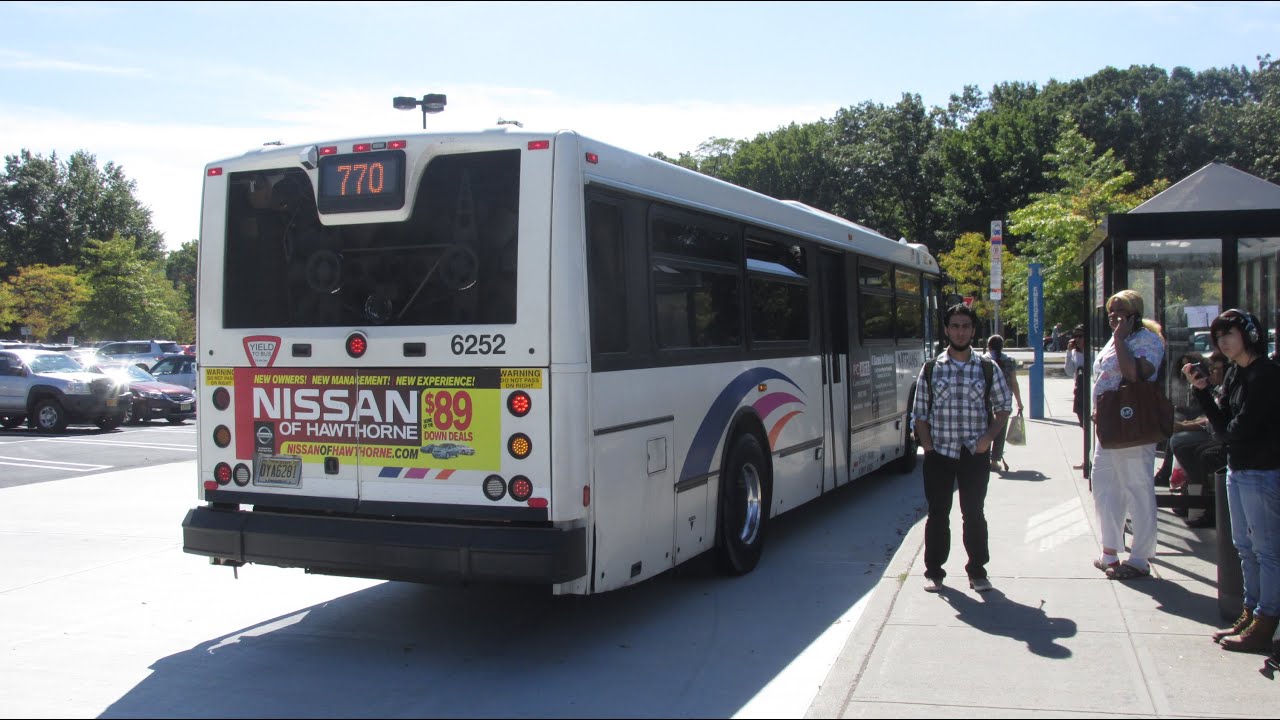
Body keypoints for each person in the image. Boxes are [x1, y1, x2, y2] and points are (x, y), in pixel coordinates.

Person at [1185, 309, 1280, 653]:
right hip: (1239, 468)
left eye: (1230, 334)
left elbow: (1235, 428)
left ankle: (1266, 620)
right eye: (1219, 336)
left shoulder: (1265, 375)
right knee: (1245, 548)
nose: (1223, 342)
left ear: (1249, 335)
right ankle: (1252, 613)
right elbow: (1221, 423)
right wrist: (1202, 391)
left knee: (1266, 550)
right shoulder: (1236, 375)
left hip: (1262, 470)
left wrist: (1224, 431)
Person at [911, 303, 1013, 593]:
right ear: (946, 330)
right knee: (937, 514)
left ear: (973, 330)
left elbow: (1003, 407)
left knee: (974, 513)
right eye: (954, 326)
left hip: (974, 453)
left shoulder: (986, 367)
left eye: (965, 326)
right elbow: (920, 413)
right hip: (940, 454)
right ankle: (934, 571)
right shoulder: (931, 369)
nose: (960, 331)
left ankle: (977, 570)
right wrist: (928, 448)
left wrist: (988, 439)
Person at [1090, 290, 1165, 581]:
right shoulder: (1115, 337)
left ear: (1134, 314)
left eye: (1120, 311)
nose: (1113, 316)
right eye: (1111, 310)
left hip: (1132, 425)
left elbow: (1135, 374)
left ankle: (1140, 557)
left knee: (1137, 487)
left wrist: (1120, 339)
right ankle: (1110, 549)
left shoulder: (1147, 340)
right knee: (1105, 484)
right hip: (1108, 424)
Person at [984, 334, 1024, 472]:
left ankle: (983, 458)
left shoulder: (983, 360)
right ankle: (995, 461)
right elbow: (1014, 382)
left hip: (985, 400)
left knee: (984, 429)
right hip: (1004, 401)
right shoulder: (1010, 361)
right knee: (999, 430)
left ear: (989, 346)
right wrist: (1019, 402)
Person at [1064, 325, 1085, 426]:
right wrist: (1068, 352)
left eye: (1080, 336)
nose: (1077, 339)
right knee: (1083, 423)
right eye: (1075, 336)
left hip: (1091, 389)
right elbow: (1069, 371)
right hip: (1079, 391)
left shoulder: (1094, 352)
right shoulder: (1073, 353)